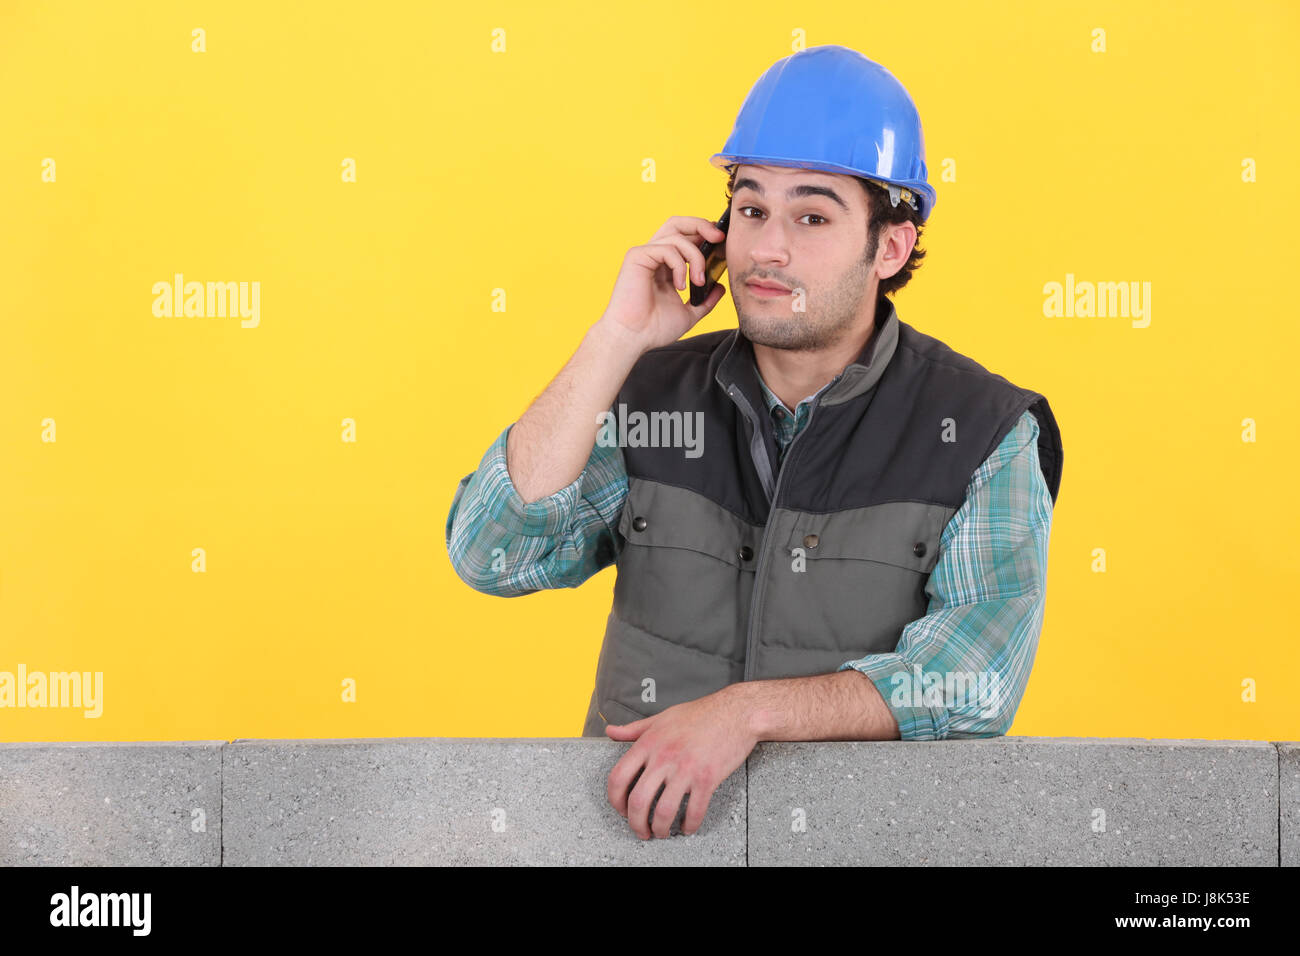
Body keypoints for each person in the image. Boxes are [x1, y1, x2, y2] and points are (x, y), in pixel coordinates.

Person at [445, 45, 1063, 841]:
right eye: (750, 208)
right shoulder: (646, 395)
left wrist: (747, 714)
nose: (766, 249)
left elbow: (971, 683)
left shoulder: (982, 431)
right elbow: (490, 556)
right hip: (642, 846)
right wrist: (616, 340)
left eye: (812, 216)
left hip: (860, 851)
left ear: (891, 247)